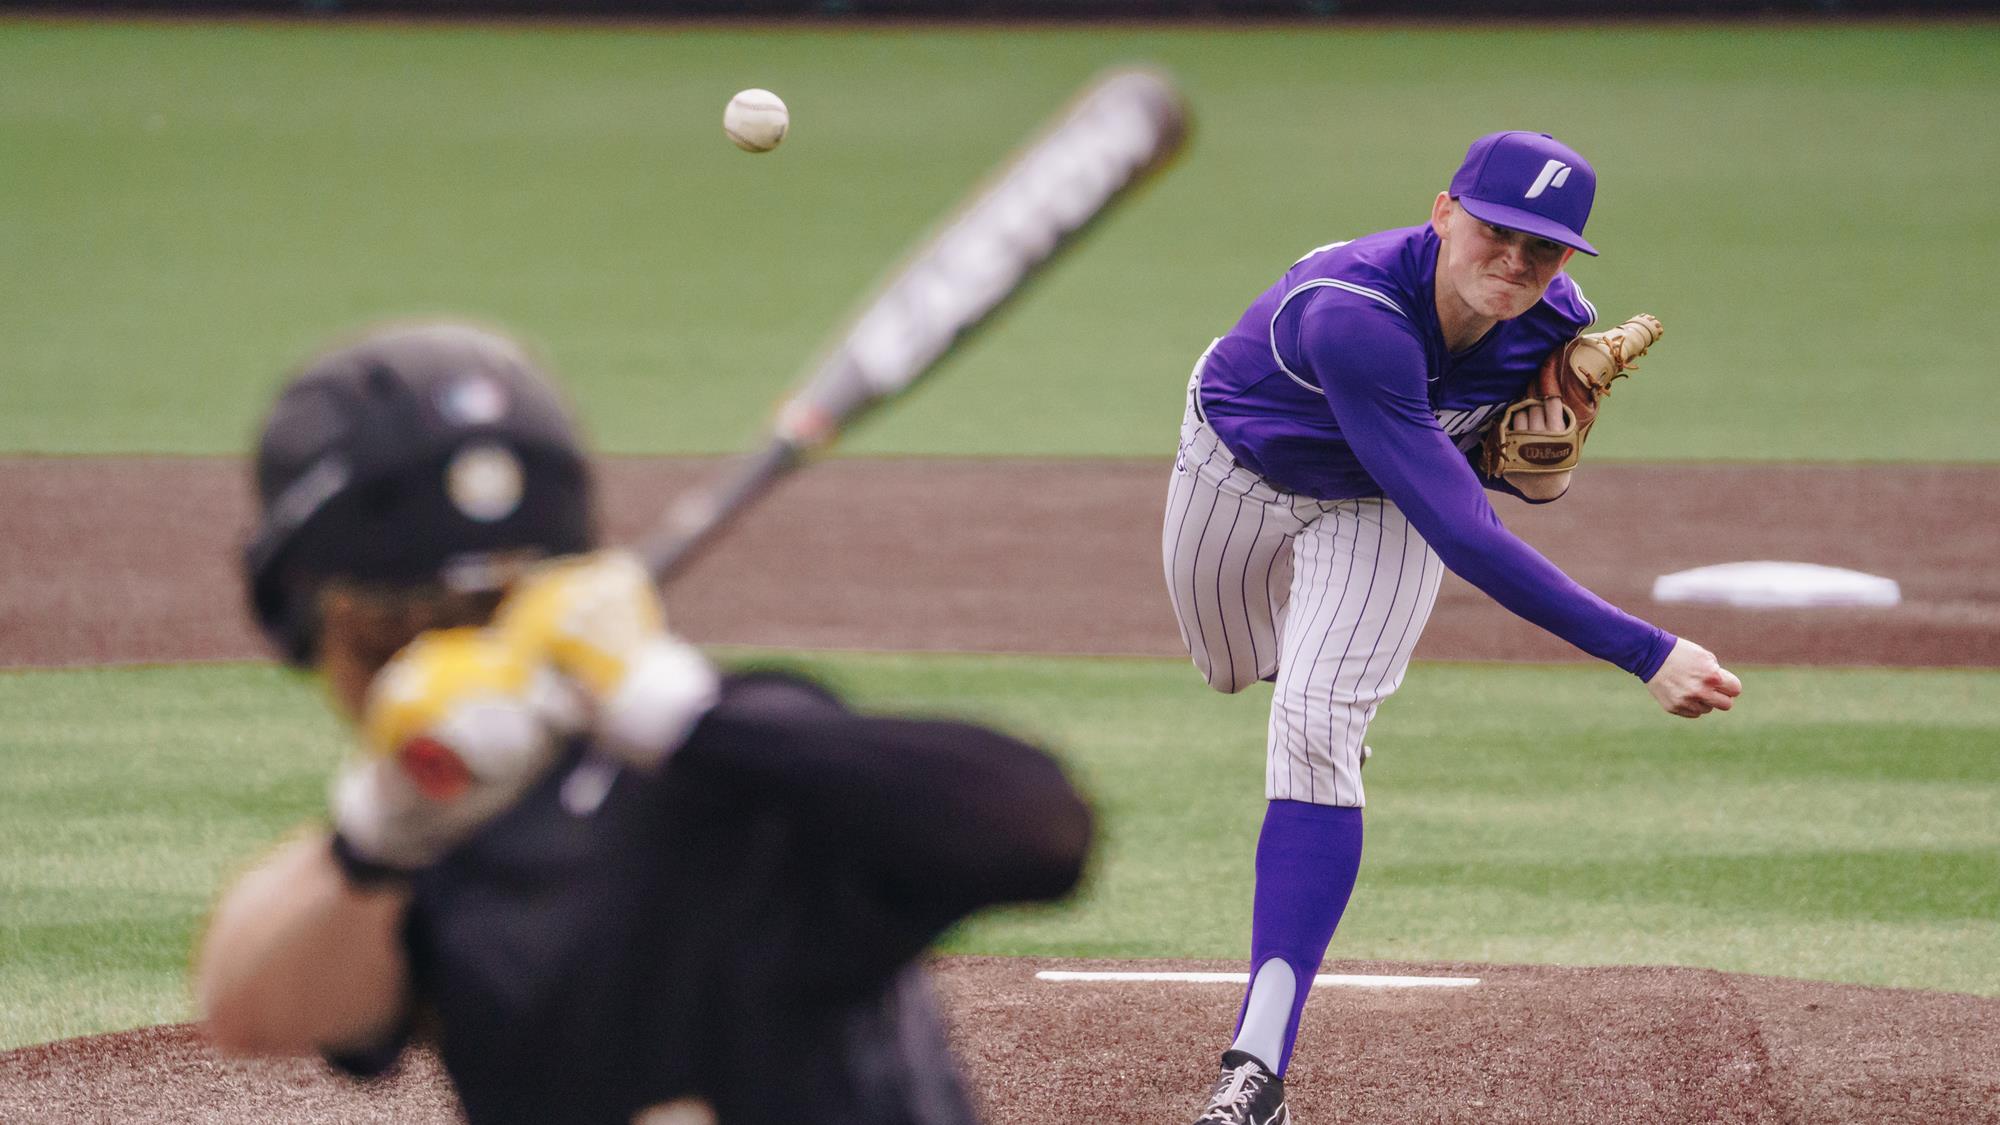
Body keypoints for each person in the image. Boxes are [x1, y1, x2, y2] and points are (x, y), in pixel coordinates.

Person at [195, 322, 1094, 1125]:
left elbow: (1038, 826)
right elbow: (250, 1007)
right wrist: (381, 828)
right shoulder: (442, 834)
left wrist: (678, 713)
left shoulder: (743, 778)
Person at [1160, 132, 1742, 1124]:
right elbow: (1466, 532)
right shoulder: (1350, 317)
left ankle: (1254, 1070)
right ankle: (1302, 669)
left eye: (1544, 249)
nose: (1514, 265)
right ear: (1441, 213)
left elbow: (1500, 478)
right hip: (1238, 469)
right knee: (1227, 669)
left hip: (1374, 512)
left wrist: (1534, 462)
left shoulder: (1553, 321)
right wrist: (1645, 651)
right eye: (1494, 233)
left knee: (1315, 729)